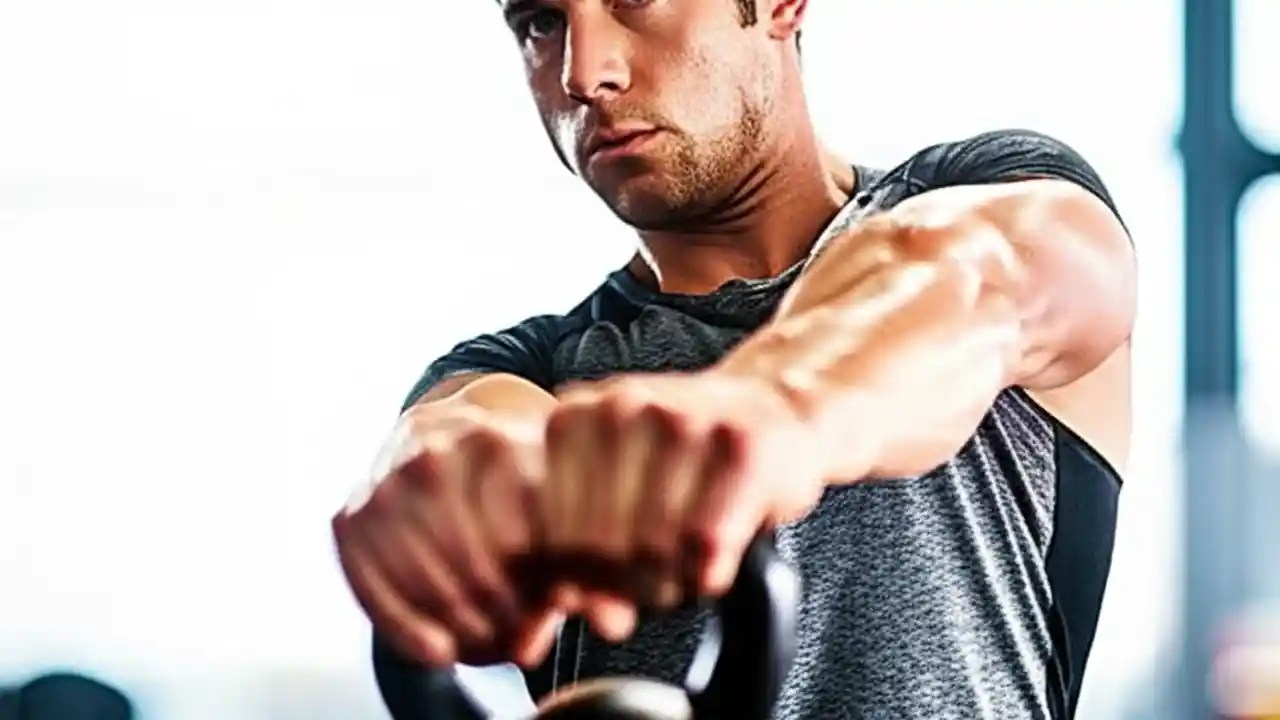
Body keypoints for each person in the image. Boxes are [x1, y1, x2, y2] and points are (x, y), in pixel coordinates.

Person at [331, 0, 1137, 717]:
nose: (584, 72)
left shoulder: (994, 202)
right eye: (541, 22)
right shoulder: (531, 369)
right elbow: (458, 435)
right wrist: (440, 498)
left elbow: (963, 279)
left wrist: (768, 412)